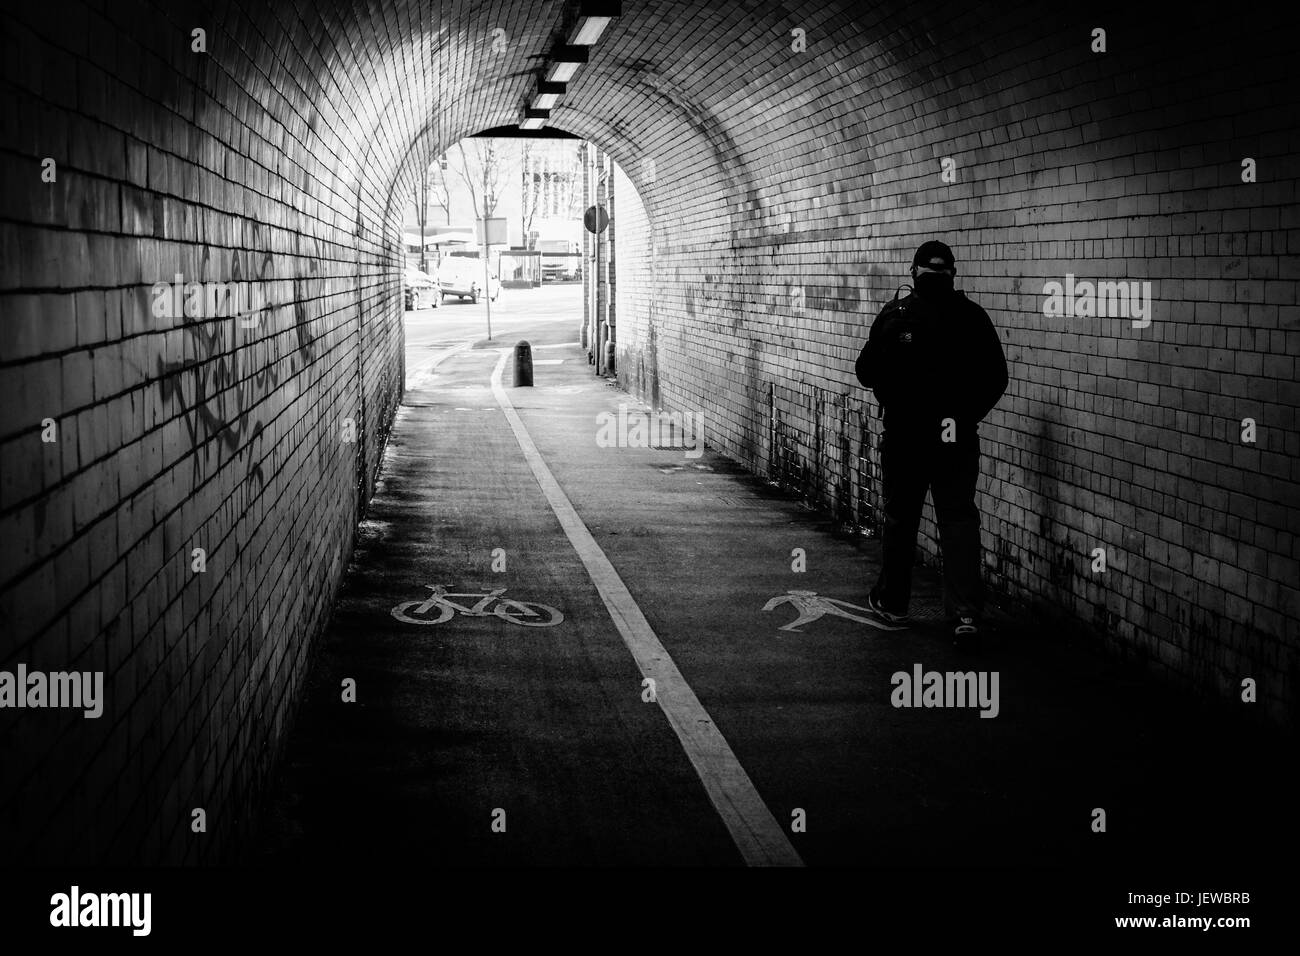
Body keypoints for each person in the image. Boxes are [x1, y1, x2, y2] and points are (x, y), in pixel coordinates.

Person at [855, 241, 1008, 650]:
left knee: (901, 518)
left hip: (905, 436)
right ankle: (963, 615)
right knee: (957, 520)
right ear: (952, 274)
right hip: (954, 438)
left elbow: (866, 373)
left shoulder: (896, 314)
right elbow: (996, 378)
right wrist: (964, 417)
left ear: (914, 273)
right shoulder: (973, 317)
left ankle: (893, 602)